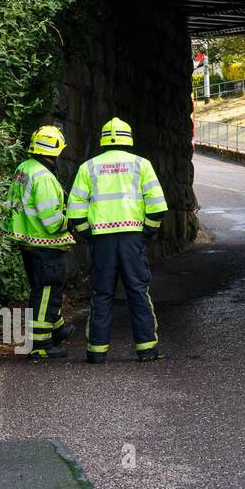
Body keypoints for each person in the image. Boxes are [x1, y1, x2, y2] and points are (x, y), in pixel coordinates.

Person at [67, 117, 168, 363]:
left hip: (102, 241)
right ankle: (147, 349)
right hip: (133, 238)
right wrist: (146, 233)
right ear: (129, 138)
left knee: (101, 294)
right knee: (138, 292)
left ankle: (96, 352)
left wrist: (88, 234)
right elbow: (157, 206)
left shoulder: (88, 167)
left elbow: (75, 209)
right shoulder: (141, 165)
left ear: (103, 140)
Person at [5, 125, 76, 360]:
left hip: (28, 241)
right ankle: (41, 345)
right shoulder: (44, 177)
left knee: (45, 290)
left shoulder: (24, 168)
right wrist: (72, 222)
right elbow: (52, 220)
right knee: (47, 292)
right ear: (54, 150)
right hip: (45, 243)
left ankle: (57, 330)